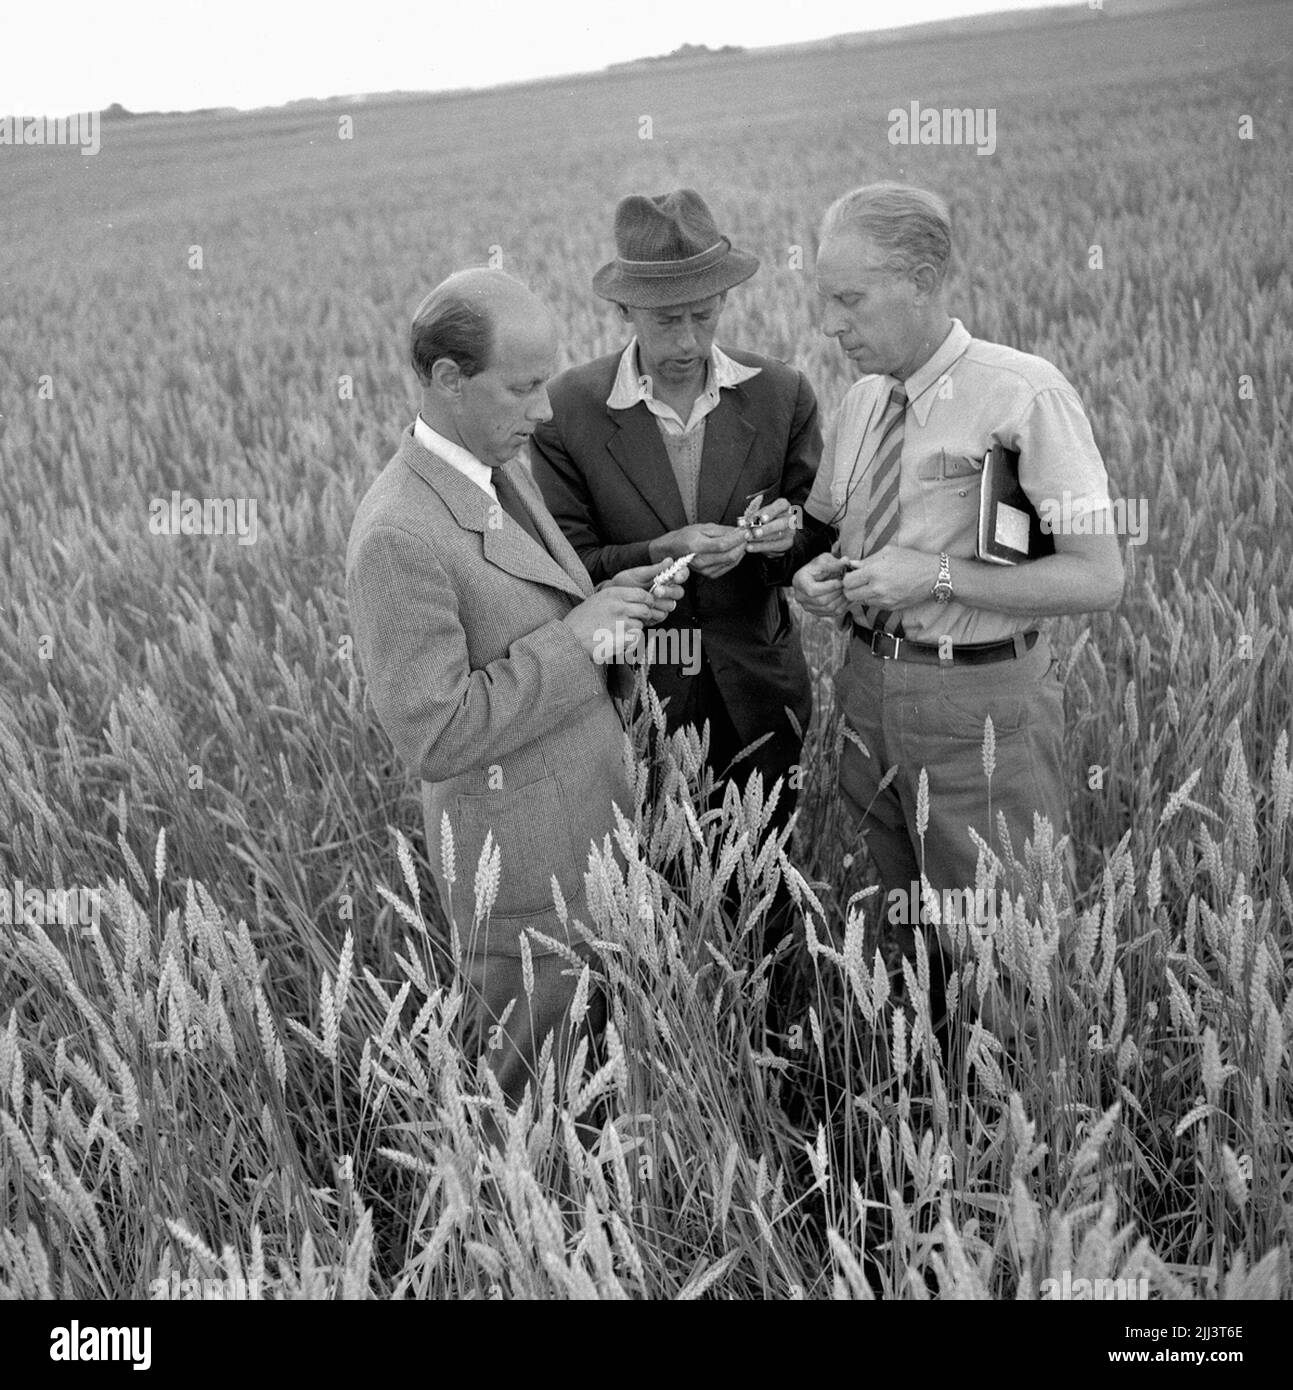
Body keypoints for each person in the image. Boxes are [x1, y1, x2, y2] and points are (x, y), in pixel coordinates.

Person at [346, 268, 686, 1108]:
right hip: (522, 877)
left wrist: (619, 607)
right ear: (447, 380)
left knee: (611, 1101)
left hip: (597, 846)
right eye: (524, 388)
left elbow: (539, 609)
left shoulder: (495, 470)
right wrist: (579, 639)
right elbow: (436, 735)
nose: (545, 411)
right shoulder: (398, 533)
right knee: (533, 1119)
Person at [793, 182, 1124, 993]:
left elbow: (1098, 575)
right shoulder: (865, 400)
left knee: (1007, 948)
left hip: (979, 706)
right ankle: (931, 1099)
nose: (829, 325)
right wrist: (816, 576)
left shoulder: (1023, 393)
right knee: (905, 940)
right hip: (866, 688)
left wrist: (935, 575)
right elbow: (828, 529)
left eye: (849, 299)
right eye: (823, 300)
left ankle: (1021, 1106)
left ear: (920, 278)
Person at [530, 190, 833, 1023]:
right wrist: (661, 552)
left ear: (725, 301)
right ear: (624, 308)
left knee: (765, 889)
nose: (688, 342)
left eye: (703, 315)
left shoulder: (781, 394)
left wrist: (784, 537)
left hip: (760, 695)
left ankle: (773, 1048)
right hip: (637, 705)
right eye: (665, 322)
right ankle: (678, 1045)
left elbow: (817, 539)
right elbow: (569, 570)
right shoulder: (567, 413)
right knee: (651, 894)